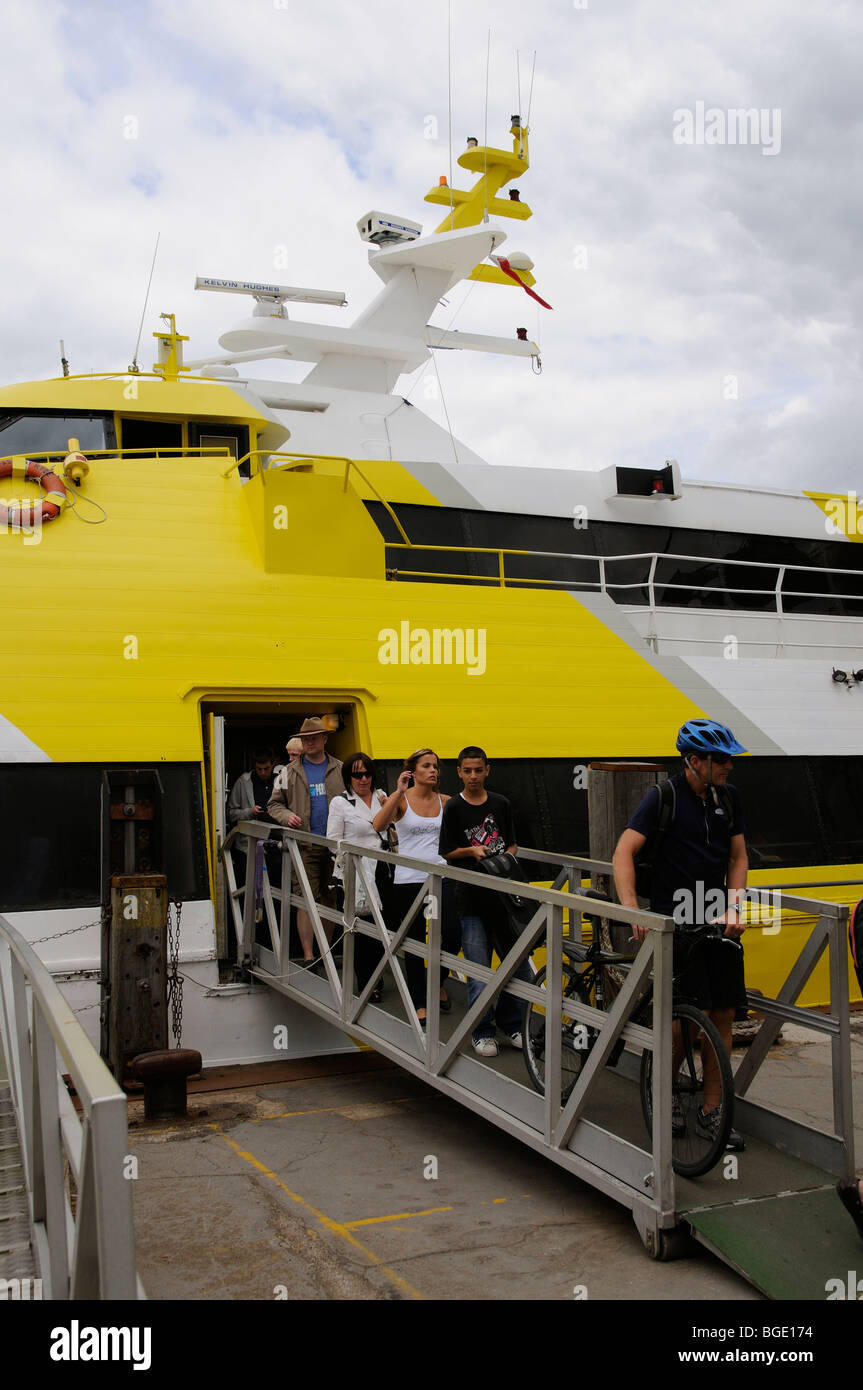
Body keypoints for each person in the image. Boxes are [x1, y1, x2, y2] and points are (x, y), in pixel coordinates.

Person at [612, 718, 749, 1150]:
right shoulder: (663, 797)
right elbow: (624, 851)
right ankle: (664, 1095)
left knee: (723, 1014)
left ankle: (712, 1110)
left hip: (718, 921)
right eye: (721, 759)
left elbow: (739, 858)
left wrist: (734, 904)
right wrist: (631, 907)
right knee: (681, 1023)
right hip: (676, 921)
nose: (729, 766)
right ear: (695, 761)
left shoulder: (729, 797)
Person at [438, 746, 532, 1058]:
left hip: (503, 899)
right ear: (459, 772)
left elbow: (513, 844)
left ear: (487, 770)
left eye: (479, 770)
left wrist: (503, 861)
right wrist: (472, 852)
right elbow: (447, 851)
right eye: (468, 770)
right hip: (472, 900)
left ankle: (513, 1023)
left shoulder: (501, 803)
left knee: (517, 967)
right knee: (479, 971)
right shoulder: (453, 807)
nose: (474, 776)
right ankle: (482, 1030)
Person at [374, 749, 460, 1024]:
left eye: (435, 766)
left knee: (451, 933)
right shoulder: (402, 801)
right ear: (413, 772)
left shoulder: (446, 801)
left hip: (441, 877)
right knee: (414, 941)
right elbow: (378, 824)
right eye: (426, 766)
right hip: (409, 879)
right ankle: (419, 1001)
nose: (433, 770)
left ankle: (436, 982)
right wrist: (399, 791)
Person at [268, 717, 343, 967]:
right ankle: (309, 955)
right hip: (304, 844)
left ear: (324, 739)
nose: (309, 742)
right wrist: (287, 815)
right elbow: (273, 804)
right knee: (306, 899)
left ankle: (326, 952)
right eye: (305, 739)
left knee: (330, 898)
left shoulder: (341, 769)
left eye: (314, 738)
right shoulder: (287, 772)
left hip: (335, 847)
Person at [327, 753, 388, 1004]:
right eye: (357, 774)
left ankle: (382, 974)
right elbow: (332, 841)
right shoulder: (340, 803)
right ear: (348, 777)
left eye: (367, 773)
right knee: (363, 929)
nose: (363, 779)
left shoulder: (382, 797)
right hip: (357, 871)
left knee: (388, 924)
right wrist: (353, 855)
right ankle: (368, 982)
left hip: (385, 868)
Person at [227, 747, 282, 872]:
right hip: (250, 847)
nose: (262, 772)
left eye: (266, 769)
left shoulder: (281, 781)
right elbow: (230, 813)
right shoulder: (243, 781)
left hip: (278, 846)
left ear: (273, 764)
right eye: (259, 769)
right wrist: (250, 812)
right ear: (254, 766)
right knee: (254, 887)